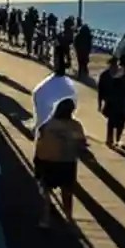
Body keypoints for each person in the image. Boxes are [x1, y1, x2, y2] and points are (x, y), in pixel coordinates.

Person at [33, 97, 88, 228]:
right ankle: (69, 216)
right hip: (67, 162)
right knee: (67, 191)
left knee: (46, 190)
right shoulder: (75, 125)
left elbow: (39, 141)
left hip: (47, 160)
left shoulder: (47, 124)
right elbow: (81, 143)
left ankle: (45, 219)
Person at [98, 57, 125, 147]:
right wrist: (100, 103)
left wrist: (100, 103)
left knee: (117, 123)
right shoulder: (121, 74)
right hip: (114, 102)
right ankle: (111, 140)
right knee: (113, 122)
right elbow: (100, 91)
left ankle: (116, 139)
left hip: (116, 102)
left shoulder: (106, 75)